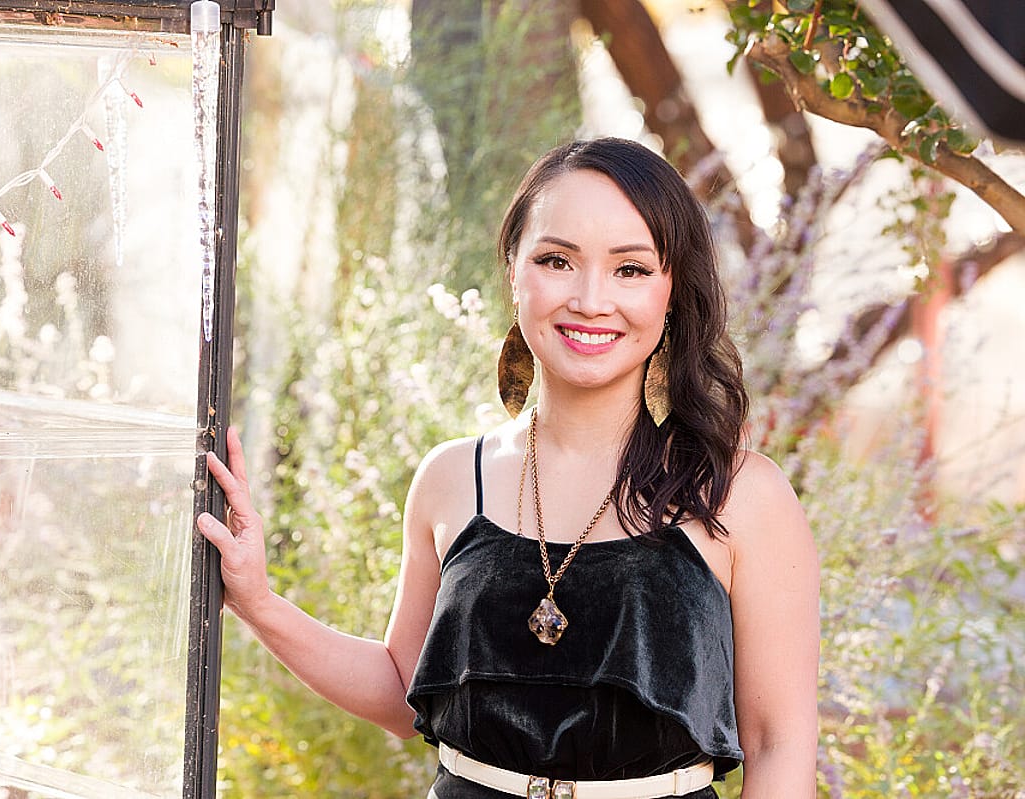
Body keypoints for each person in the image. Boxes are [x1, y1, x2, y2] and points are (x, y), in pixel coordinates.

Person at [197, 137, 820, 798]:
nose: (590, 299)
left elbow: (779, 741)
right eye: (557, 260)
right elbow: (403, 689)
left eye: (629, 269)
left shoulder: (740, 495)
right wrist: (258, 602)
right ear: (515, 273)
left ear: (672, 293)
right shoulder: (449, 478)